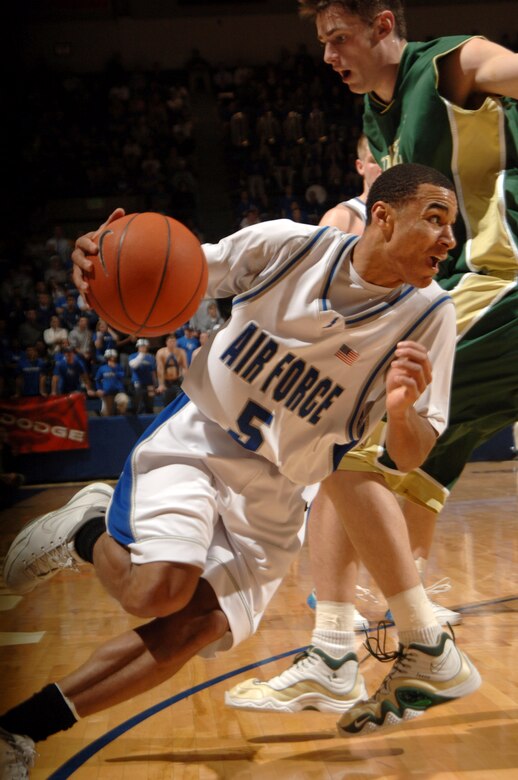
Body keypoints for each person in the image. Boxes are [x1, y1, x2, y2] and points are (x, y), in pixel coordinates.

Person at [0, 165, 479, 775]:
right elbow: (171, 267)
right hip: (201, 441)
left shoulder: (431, 314)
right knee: (158, 592)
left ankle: (19, 729)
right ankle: (84, 531)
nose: (448, 239)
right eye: (434, 219)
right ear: (382, 216)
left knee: (194, 627)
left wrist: (403, 411)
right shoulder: (288, 246)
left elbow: (411, 454)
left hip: (283, 494)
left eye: (452, 225)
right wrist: (103, 256)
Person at [226, 0, 517, 733]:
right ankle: (403, 644)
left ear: (384, 25)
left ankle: (334, 654)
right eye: (322, 43)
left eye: (339, 38)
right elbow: (361, 215)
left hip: (498, 287)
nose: (328, 56)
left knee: (343, 435)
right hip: (467, 309)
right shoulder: (377, 125)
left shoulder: (453, 66)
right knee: (406, 480)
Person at [94, 349, 129, 416]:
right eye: (109, 357)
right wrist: (99, 389)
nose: (111, 358)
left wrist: (114, 369)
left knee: (124, 400)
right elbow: (97, 380)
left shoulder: (119, 367)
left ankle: (120, 415)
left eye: (112, 357)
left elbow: (122, 376)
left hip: (119, 393)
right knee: (106, 414)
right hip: (107, 394)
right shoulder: (102, 368)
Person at [155, 332, 188, 406]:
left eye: (174, 341)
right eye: (170, 341)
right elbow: (160, 369)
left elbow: (185, 368)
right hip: (166, 382)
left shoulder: (181, 352)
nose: (172, 343)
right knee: (167, 404)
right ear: (166, 342)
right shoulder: (161, 352)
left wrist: (186, 382)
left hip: (178, 381)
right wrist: (161, 384)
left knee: (179, 404)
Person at [128, 338, 157, 414]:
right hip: (137, 383)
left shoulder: (150, 357)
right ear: (138, 347)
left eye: (144, 346)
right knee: (138, 403)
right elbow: (133, 365)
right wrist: (141, 355)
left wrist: (155, 384)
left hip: (149, 383)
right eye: (141, 346)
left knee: (150, 403)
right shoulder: (132, 356)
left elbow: (153, 371)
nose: (143, 348)